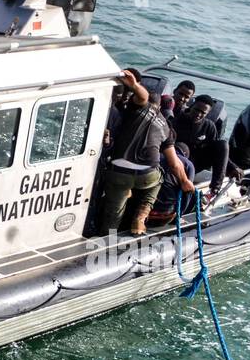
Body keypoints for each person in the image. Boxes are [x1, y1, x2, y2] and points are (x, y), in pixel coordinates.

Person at [96, 69, 195, 236]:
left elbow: (142, 96)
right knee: (158, 179)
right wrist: (185, 181)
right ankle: (141, 216)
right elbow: (174, 163)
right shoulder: (166, 127)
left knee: (113, 214)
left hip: (120, 171)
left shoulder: (140, 109)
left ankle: (107, 238)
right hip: (146, 173)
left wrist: (134, 85)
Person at [173, 94, 242, 201]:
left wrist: (233, 167)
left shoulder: (209, 126)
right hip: (177, 162)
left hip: (196, 163)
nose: (198, 114)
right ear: (192, 105)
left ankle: (214, 190)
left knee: (222, 144)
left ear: (208, 113)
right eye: (196, 110)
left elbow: (218, 152)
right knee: (181, 147)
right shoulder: (177, 120)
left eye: (203, 113)